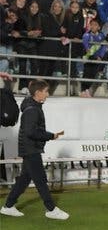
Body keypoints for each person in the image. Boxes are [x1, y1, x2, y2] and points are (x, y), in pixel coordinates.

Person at [1, 79, 69, 220]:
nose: (48, 94)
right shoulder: (32, 110)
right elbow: (31, 132)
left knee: (24, 180)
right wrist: (50, 135)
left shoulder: (33, 107)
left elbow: (32, 131)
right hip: (31, 149)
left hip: (30, 148)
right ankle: (51, 209)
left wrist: (49, 135)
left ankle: (8, 206)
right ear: (38, 93)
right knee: (40, 180)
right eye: (46, 91)